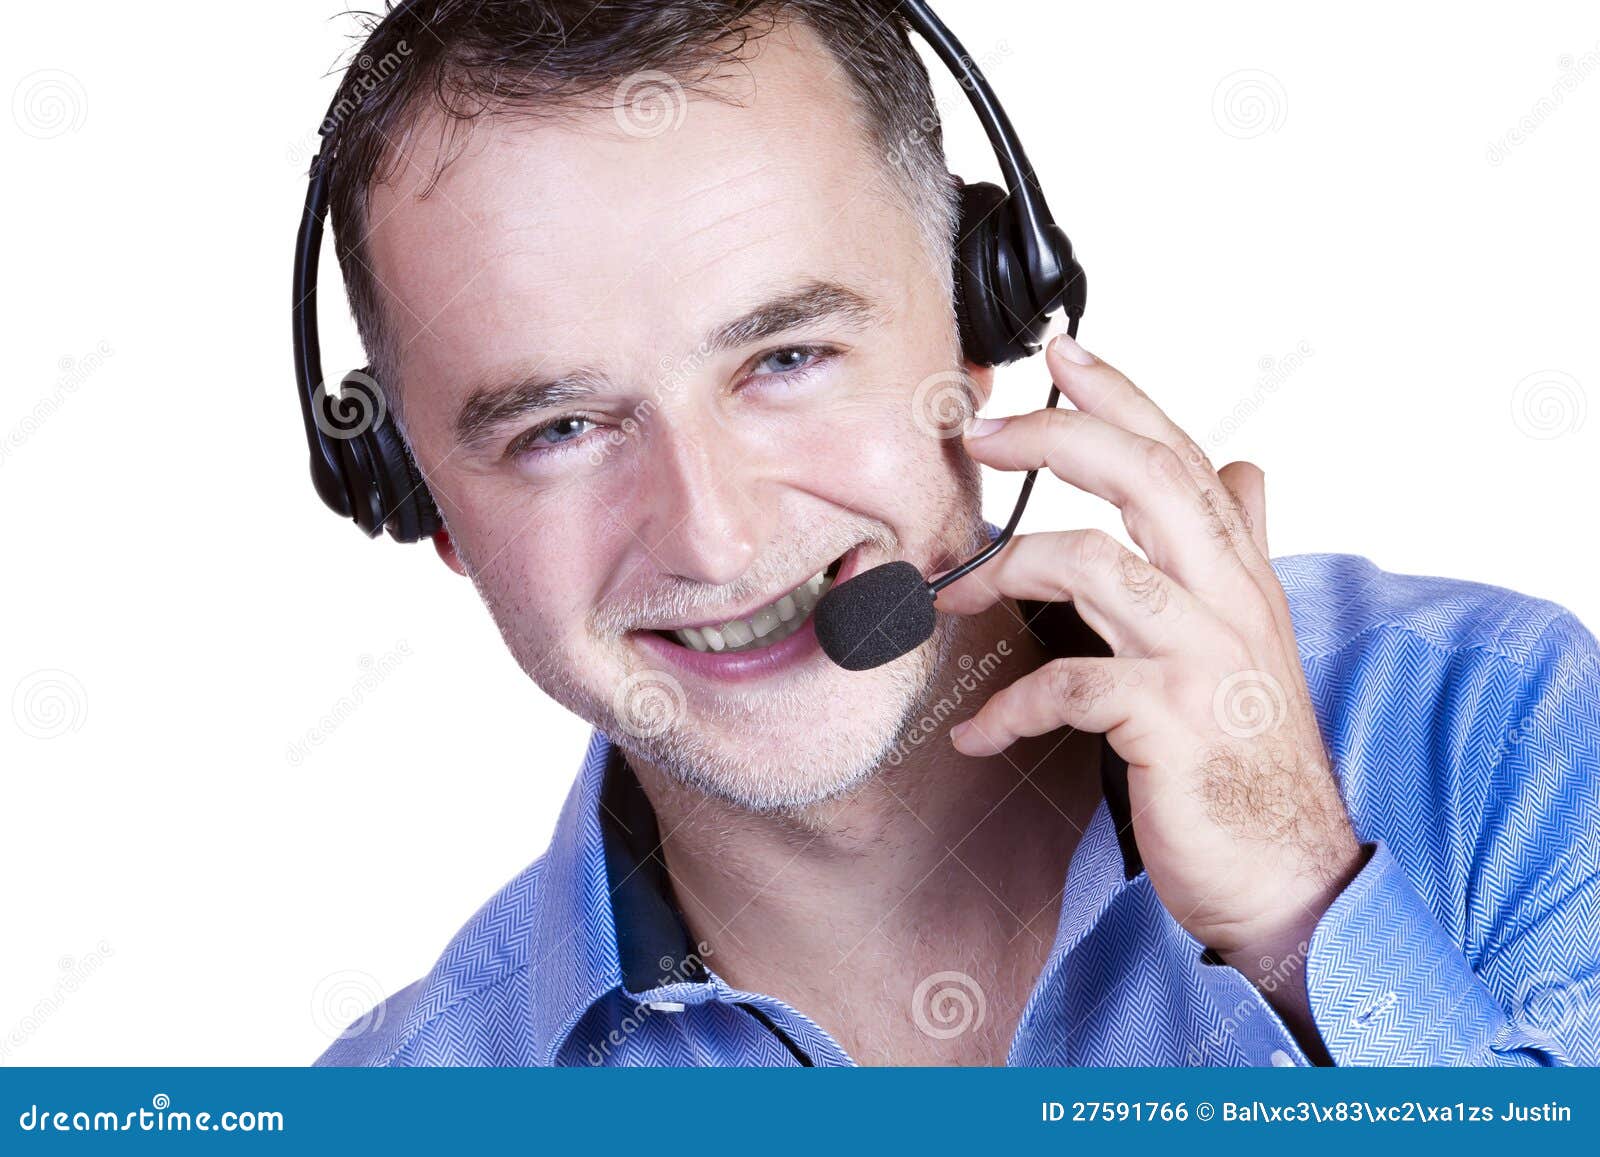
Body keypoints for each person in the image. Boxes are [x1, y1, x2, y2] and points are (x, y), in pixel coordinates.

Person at [309, 0, 1599, 1067]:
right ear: (424, 505)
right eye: (560, 430)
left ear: (983, 332)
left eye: (788, 357)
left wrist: (1305, 910)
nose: (711, 536)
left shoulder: (1493, 735)